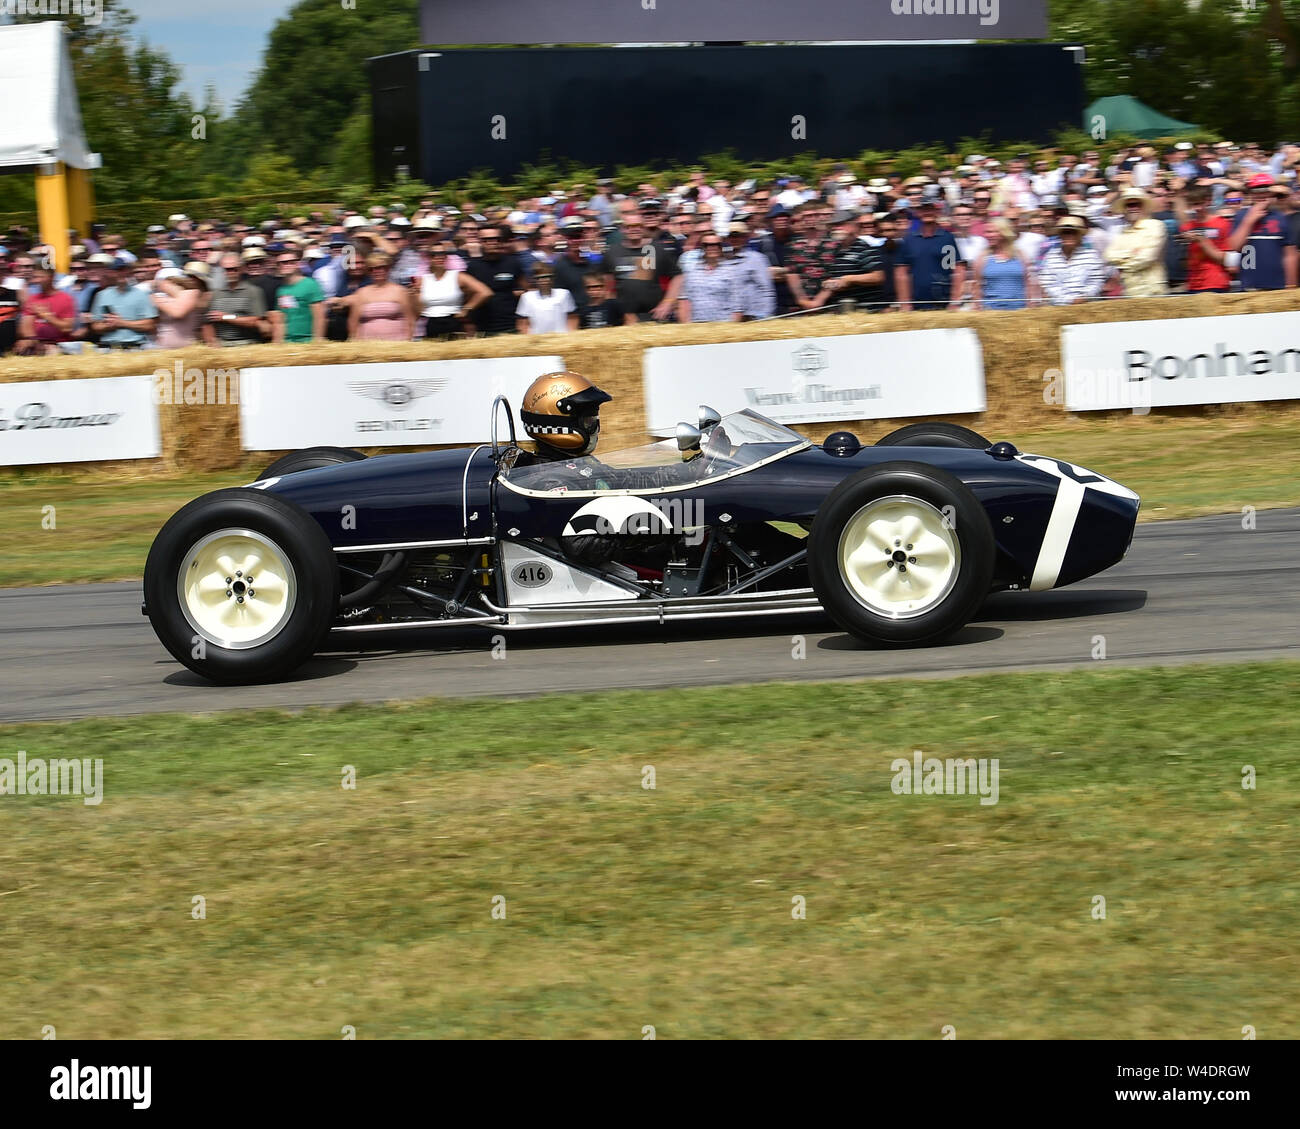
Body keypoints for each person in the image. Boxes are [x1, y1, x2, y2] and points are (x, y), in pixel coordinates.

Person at [1227, 173, 1295, 290]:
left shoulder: (1280, 217)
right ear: (1251, 194)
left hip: (1278, 284)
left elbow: (1289, 255)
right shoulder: (1241, 215)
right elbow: (1235, 246)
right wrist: (1249, 220)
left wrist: (1291, 285)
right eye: (1256, 191)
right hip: (1250, 284)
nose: (1261, 195)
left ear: (1271, 193)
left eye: (1265, 190)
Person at [894, 199, 964, 311]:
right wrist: (904, 303)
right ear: (918, 213)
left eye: (931, 209)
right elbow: (901, 273)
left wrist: (954, 301)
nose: (927, 212)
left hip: (942, 304)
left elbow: (956, 271)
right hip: (915, 304)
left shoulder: (947, 238)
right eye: (924, 209)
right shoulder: (909, 239)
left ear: (937, 212)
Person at [418, 240, 491, 340]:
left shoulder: (458, 276)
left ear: (446, 256)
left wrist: (467, 309)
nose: (439, 257)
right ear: (429, 258)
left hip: (453, 321)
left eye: (442, 253)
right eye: (434, 254)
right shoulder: (423, 280)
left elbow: (485, 292)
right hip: (432, 323)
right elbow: (418, 309)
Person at [1105, 189, 1168, 297]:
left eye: (1136, 204)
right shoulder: (1122, 232)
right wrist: (1133, 253)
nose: (1133, 208)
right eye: (1129, 205)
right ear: (1124, 208)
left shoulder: (1155, 225)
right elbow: (1108, 256)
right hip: (1129, 291)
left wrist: (1123, 262)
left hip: (1152, 290)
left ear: (1143, 206)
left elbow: (1147, 258)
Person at [465, 225, 525, 335]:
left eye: (497, 239)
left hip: (510, 326)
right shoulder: (473, 266)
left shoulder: (513, 263)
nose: (493, 242)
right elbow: (468, 297)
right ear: (480, 242)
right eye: (487, 240)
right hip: (482, 328)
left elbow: (527, 290)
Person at [89, 259, 157, 349]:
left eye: (124, 270)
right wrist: (108, 326)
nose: (121, 273)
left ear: (129, 271)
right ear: (111, 273)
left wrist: (122, 323)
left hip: (134, 347)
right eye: (118, 270)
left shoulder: (141, 294)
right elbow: (95, 327)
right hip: (108, 347)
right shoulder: (101, 295)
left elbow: (150, 325)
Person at [346, 253, 414, 341]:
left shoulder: (400, 291)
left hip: (397, 344)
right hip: (367, 345)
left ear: (388, 268)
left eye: (380, 267)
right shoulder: (361, 293)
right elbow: (353, 322)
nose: (376, 271)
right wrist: (355, 341)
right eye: (372, 269)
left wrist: (408, 341)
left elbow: (410, 320)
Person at [1038, 217, 1107, 305]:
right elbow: (1047, 283)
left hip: (1086, 306)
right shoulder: (1051, 256)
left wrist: (1084, 297)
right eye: (1065, 232)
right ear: (1060, 235)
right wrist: (1067, 300)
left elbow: (1096, 281)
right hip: (1059, 307)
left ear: (1080, 235)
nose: (1069, 235)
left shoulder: (1091, 255)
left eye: (1073, 232)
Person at [204, 254, 268, 347]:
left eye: (234, 269)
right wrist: (212, 341)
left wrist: (226, 317)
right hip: (222, 344)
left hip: (247, 343)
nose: (230, 272)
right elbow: (208, 323)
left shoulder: (253, 291)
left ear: (241, 269)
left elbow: (255, 321)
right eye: (226, 269)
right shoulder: (216, 294)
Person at [972, 220, 1035, 310]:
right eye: (986, 232)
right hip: (992, 311)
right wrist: (977, 307)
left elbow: (1029, 283)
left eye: (990, 232)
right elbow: (976, 286)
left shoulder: (1020, 255)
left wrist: (1031, 305)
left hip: (1020, 311)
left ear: (1003, 233)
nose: (987, 235)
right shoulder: (983, 257)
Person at [16, 267, 77, 354]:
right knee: (22, 346)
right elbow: (25, 327)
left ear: (51, 277)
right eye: (35, 277)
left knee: (52, 351)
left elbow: (67, 328)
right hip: (36, 343)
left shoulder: (65, 298)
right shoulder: (33, 299)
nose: (37, 280)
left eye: (40, 277)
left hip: (59, 344)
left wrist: (46, 316)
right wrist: (33, 341)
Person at [273, 249, 326, 343]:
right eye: (281, 263)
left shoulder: (310, 284)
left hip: (307, 341)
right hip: (287, 343)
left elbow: (319, 316)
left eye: (290, 262)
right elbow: (280, 320)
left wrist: (318, 341)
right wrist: (277, 343)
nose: (286, 265)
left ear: (297, 264)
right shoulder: (281, 290)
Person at [150, 267, 208, 348]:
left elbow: (178, 313)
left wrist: (158, 300)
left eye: (160, 282)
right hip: (164, 349)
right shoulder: (163, 297)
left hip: (187, 349)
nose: (158, 286)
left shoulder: (191, 293)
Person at [515, 265, 578, 334]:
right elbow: (522, 323)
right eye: (539, 278)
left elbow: (572, 318)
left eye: (547, 277)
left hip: (561, 339)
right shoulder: (526, 297)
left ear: (552, 278)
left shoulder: (564, 294)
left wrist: (571, 335)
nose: (543, 280)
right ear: (534, 279)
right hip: (536, 340)